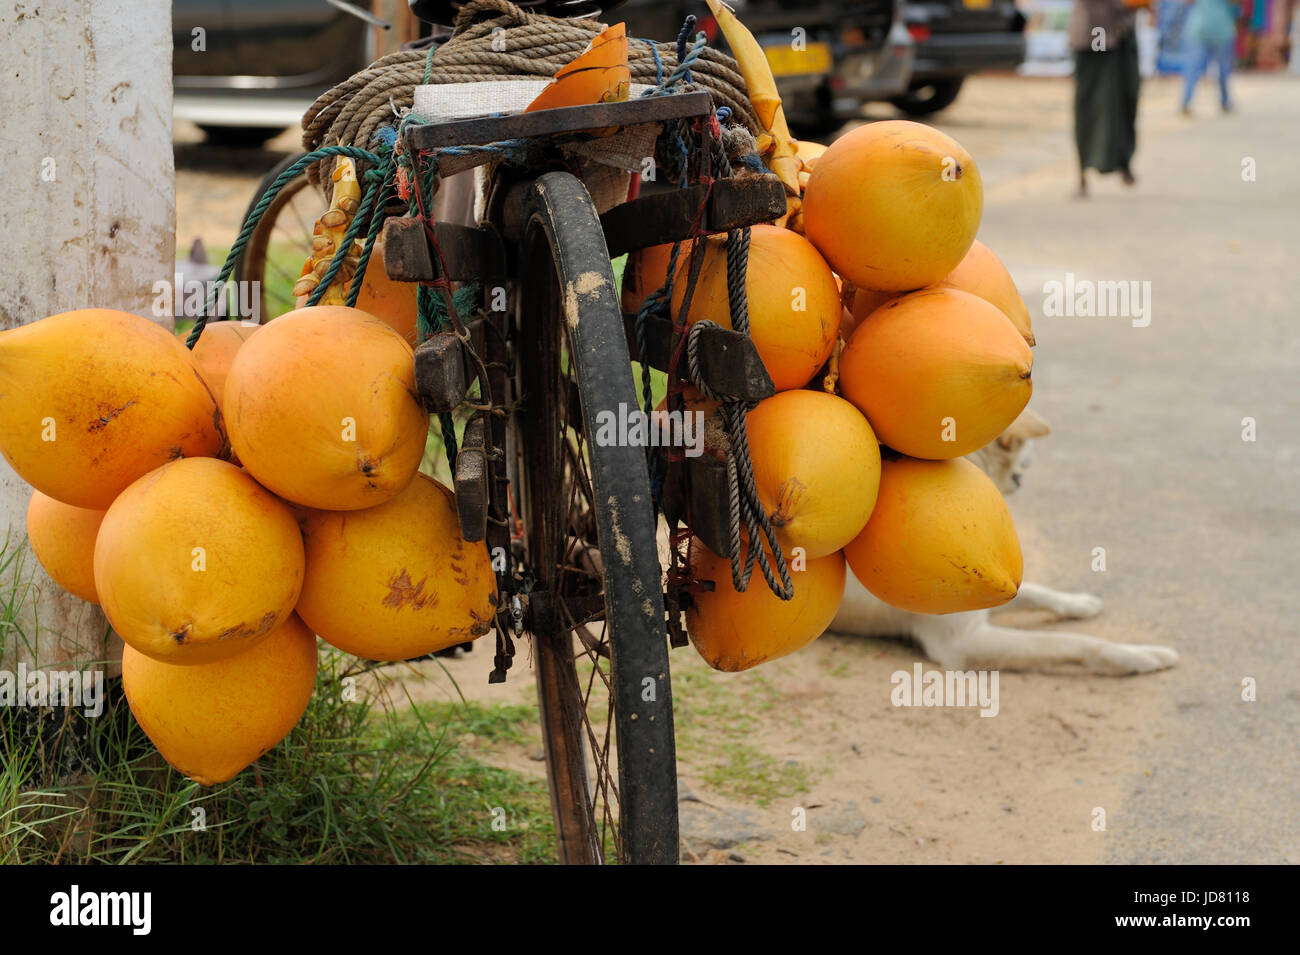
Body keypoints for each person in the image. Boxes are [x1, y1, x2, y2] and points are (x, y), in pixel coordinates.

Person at [1070, 0, 1142, 197]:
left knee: (1125, 98)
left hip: (1121, 36)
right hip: (1098, 33)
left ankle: (1123, 162)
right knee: (1094, 101)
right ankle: (1083, 172)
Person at [1180, 0, 1238, 113]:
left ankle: (1187, 102)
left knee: (1196, 68)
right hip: (1210, 31)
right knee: (1199, 68)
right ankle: (1224, 101)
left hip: (1212, 30)